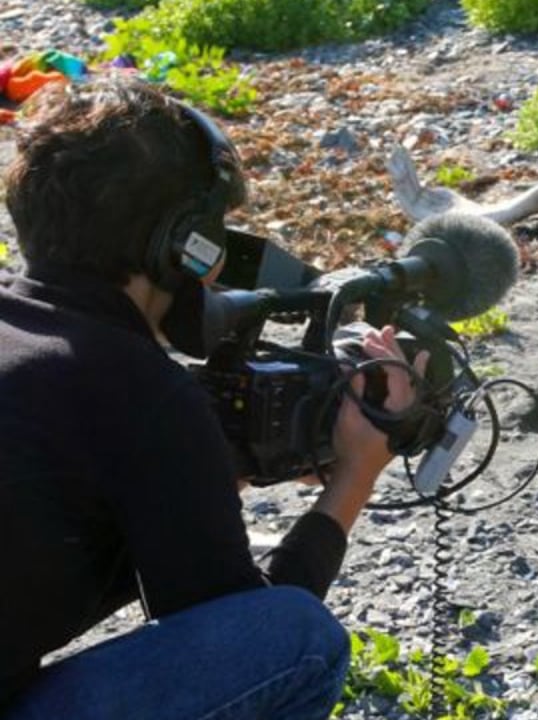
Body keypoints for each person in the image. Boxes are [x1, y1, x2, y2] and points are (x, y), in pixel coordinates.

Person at [0, 78, 424, 717]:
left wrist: (218, 467)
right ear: (183, 242)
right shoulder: (139, 391)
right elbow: (244, 631)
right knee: (300, 641)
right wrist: (355, 474)